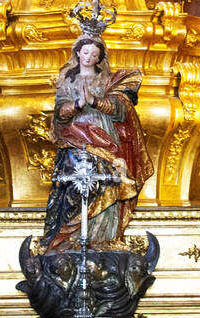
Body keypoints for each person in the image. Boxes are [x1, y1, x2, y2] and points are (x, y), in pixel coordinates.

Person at [42, 35, 152, 251]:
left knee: (107, 184)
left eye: (94, 54)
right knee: (75, 188)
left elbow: (120, 111)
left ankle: (102, 240)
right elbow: (59, 114)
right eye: (85, 52)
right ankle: (71, 240)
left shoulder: (107, 81)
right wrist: (77, 104)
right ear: (78, 53)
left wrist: (94, 101)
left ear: (100, 58)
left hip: (104, 138)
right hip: (74, 139)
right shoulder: (67, 81)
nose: (89, 57)